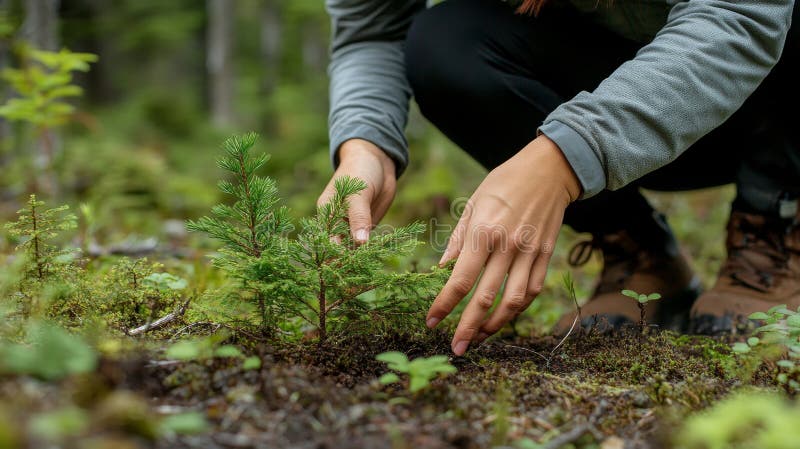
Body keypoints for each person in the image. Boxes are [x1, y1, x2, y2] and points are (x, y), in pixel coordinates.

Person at [317, 0, 800, 356]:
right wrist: (365, 144)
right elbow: (373, 32)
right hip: (636, 110)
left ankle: (774, 228)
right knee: (446, 41)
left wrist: (565, 156)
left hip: (754, 87)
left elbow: (742, 16)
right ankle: (639, 252)